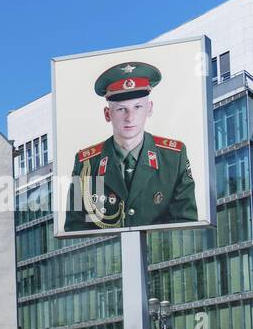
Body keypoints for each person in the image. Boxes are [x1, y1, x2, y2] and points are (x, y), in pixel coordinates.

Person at [65, 61, 198, 233]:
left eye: (137, 107)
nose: (130, 117)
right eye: (121, 109)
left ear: (149, 109)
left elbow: (187, 228)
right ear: (108, 114)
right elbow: (74, 230)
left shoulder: (173, 157)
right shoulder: (86, 164)